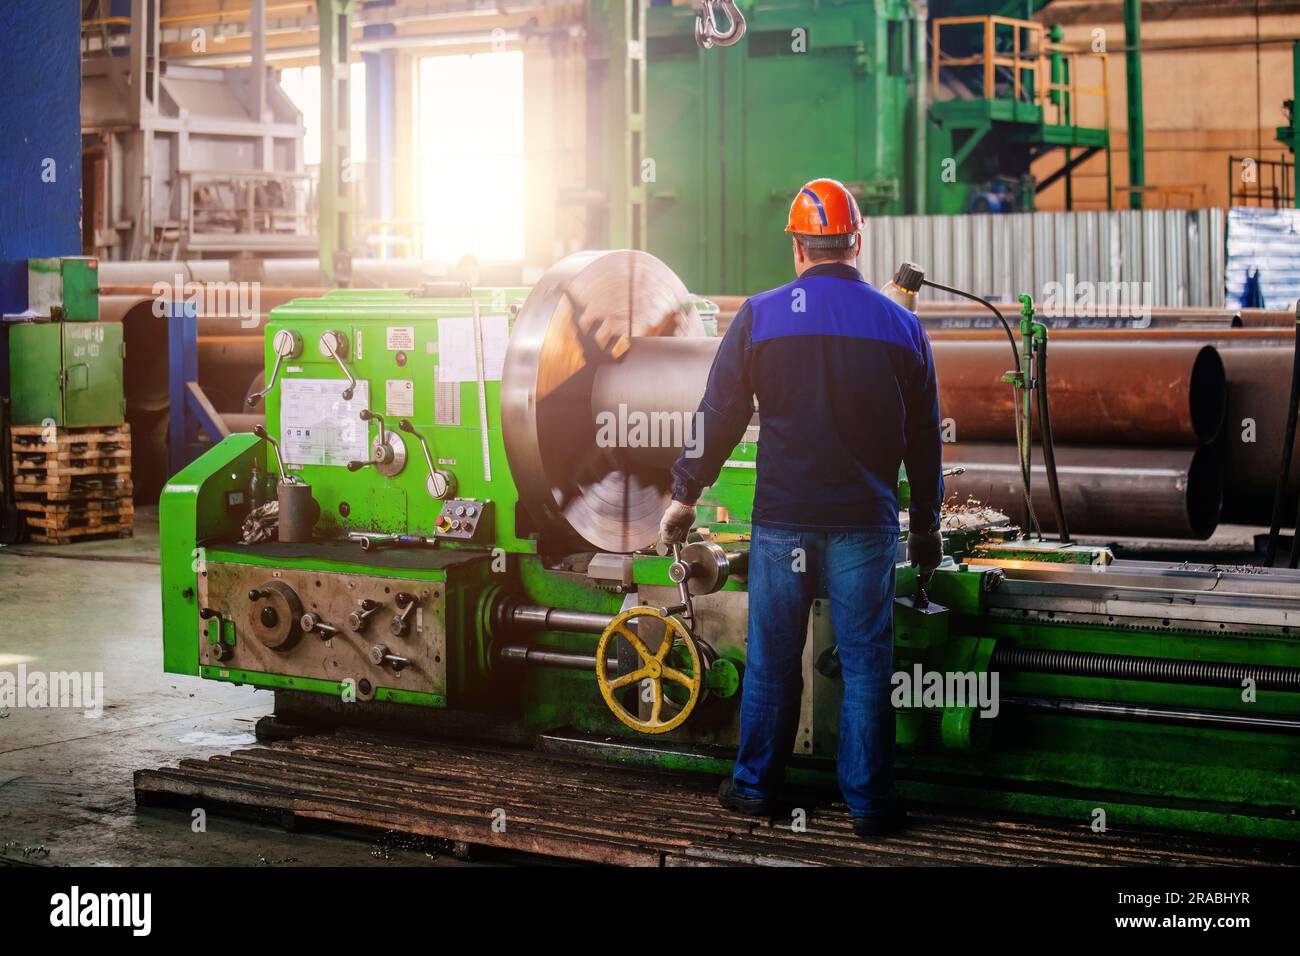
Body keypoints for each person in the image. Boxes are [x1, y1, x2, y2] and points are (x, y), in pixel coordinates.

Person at [659, 177, 944, 837]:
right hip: (864, 526)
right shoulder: (900, 324)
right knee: (869, 662)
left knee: (773, 655)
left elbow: (718, 414)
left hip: (783, 520)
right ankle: (870, 806)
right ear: (856, 243)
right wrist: (925, 525)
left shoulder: (759, 315)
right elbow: (924, 438)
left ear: (797, 248)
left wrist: (685, 494)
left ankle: (756, 787)